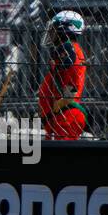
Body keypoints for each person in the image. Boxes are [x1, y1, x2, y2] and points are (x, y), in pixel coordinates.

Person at [39, 10, 87, 140]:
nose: (51, 33)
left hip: (65, 117)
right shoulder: (70, 49)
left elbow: (72, 88)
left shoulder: (69, 49)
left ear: (64, 30)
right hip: (60, 116)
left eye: (54, 29)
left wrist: (56, 107)